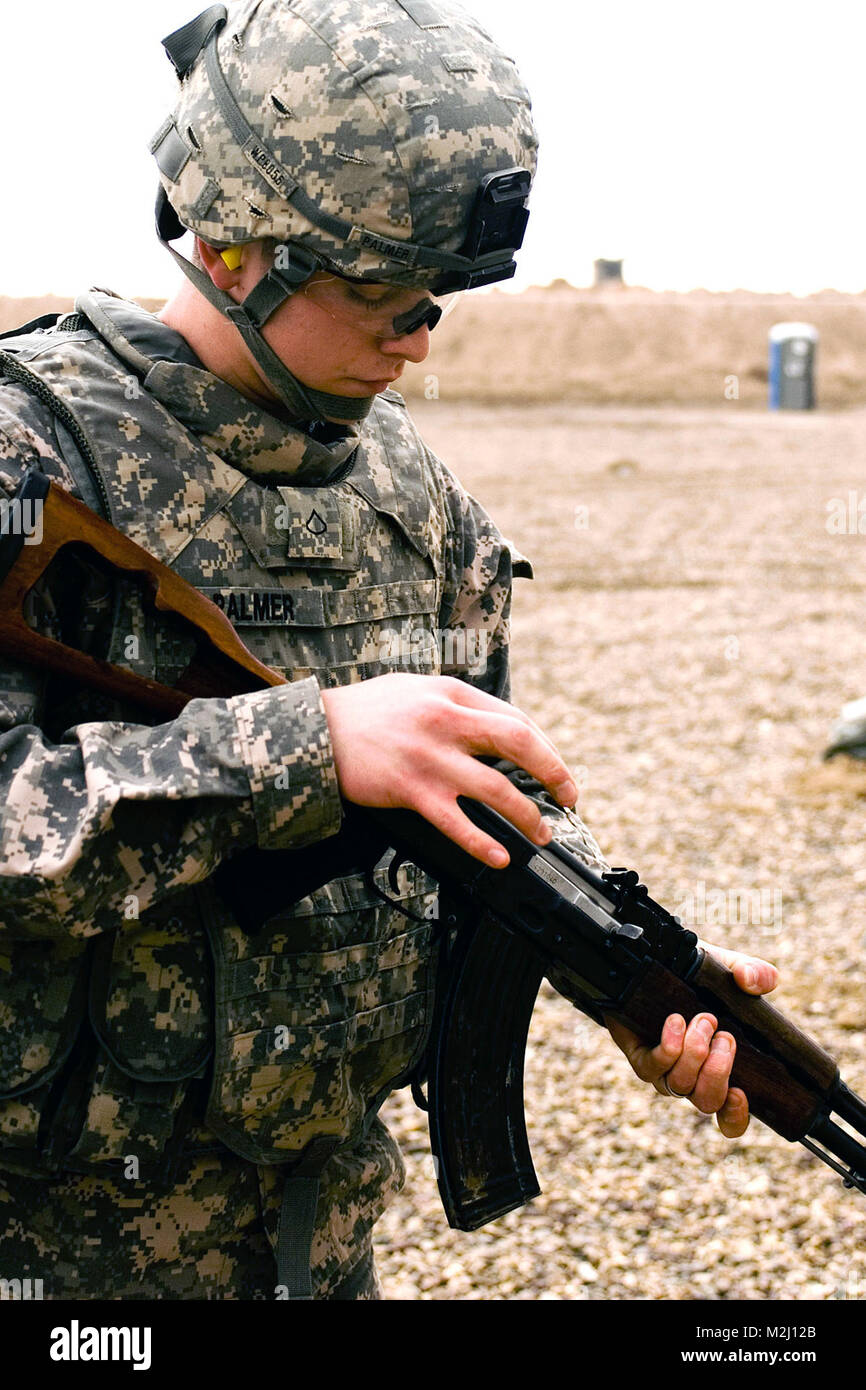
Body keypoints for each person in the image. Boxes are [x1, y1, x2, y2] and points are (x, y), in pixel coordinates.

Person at [0, 0, 776, 1301]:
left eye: (439, 300)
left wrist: (638, 977)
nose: (419, 340)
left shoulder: (415, 497)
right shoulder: (32, 458)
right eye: (378, 295)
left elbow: (485, 811)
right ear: (234, 250)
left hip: (319, 1243)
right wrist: (304, 748)